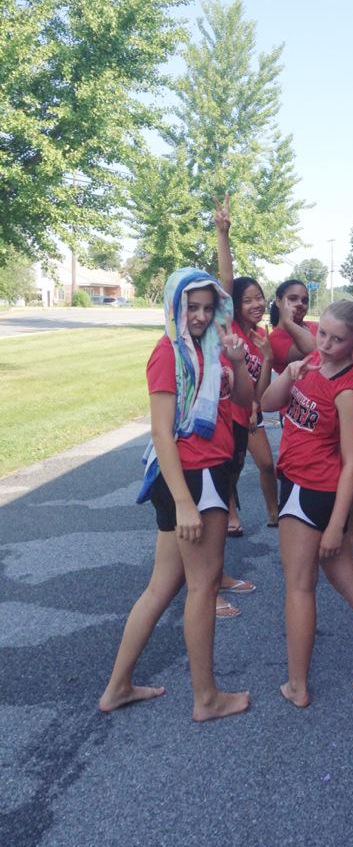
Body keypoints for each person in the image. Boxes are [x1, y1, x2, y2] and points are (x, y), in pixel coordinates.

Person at [99, 268, 252, 720]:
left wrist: (239, 362)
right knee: (203, 587)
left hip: (208, 471)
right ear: (174, 306)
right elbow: (162, 434)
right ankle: (207, 698)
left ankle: (118, 687)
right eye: (193, 307)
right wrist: (185, 501)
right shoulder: (168, 353)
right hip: (192, 477)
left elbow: (245, 400)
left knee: (163, 586)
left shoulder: (213, 350)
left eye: (208, 307)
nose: (202, 316)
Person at [262, 300, 353, 707]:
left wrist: (336, 525)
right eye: (323, 333)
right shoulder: (311, 361)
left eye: (337, 339)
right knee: (349, 580)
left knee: (298, 586)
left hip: (314, 491)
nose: (326, 344)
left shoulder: (347, 390)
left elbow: (352, 465)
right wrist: (291, 373)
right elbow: (267, 404)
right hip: (300, 483)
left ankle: (297, 685)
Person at [215, 200, 279, 532]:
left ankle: (274, 513)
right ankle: (231, 514)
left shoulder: (260, 335)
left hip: (250, 411)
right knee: (232, 466)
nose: (256, 304)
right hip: (228, 411)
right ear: (236, 305)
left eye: (260, 298)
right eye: (248, 299)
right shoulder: (230, 326)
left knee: (268, 464)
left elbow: (262, 392)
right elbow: (226, 281)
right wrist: (223, 233)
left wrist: (267, 357)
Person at [268, 279, 318, 374]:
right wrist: (287, 321)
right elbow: (314, 349)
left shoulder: (312, 324)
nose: (300, 303)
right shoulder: (274, 340)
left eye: (305, 300)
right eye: (293, 298)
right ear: (278, 301)